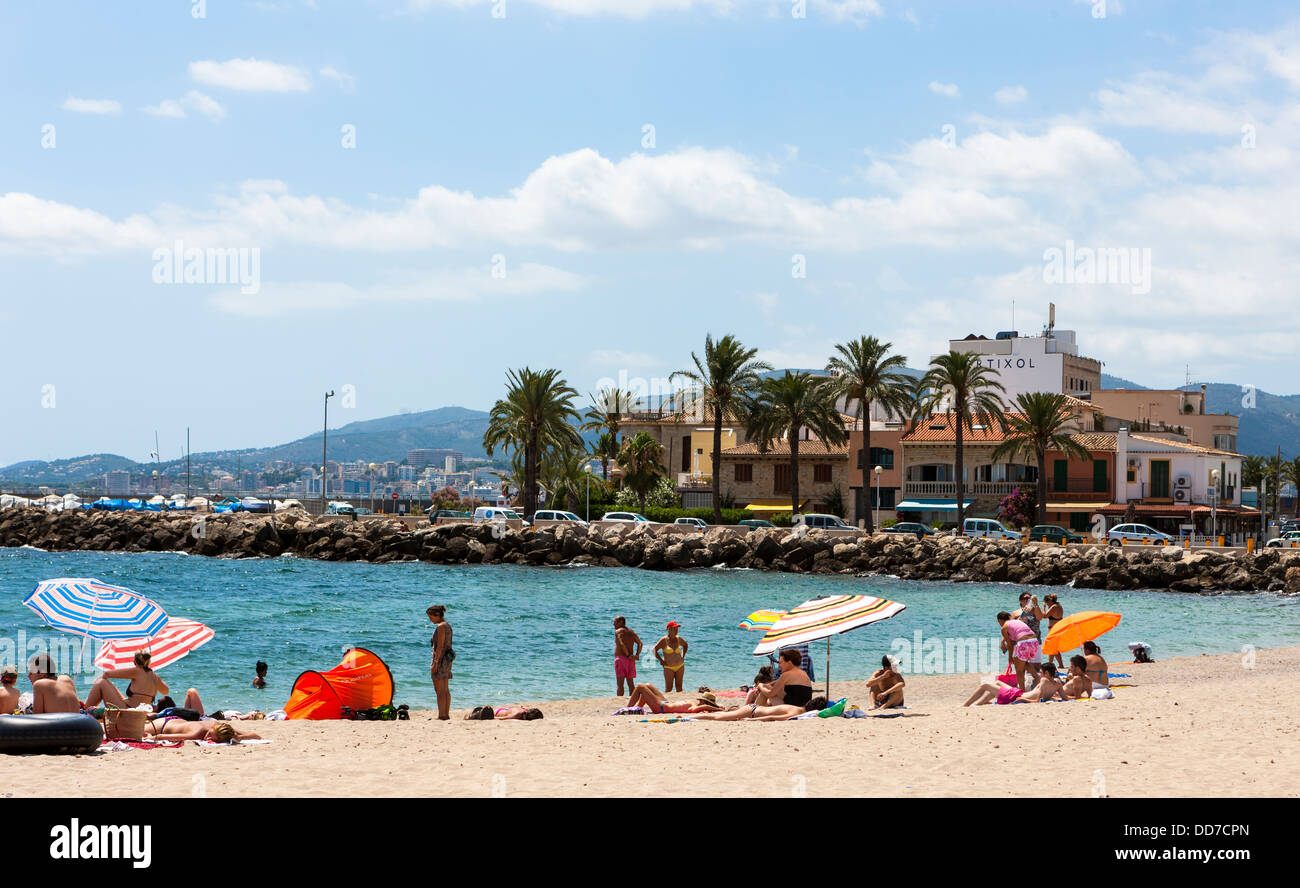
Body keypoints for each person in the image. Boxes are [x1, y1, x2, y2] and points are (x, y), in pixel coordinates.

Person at [84, 651, 169, 710]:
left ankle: (85, 710)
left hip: (128, 710)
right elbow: (166, 691)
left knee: (101, 682)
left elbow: (107, 674)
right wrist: (156, 680)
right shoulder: (154, 676)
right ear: (148, 662)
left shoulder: (136, 671)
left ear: (135, 662)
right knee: (108, 685)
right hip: (141, 712)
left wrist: (97, 680)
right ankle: (87, 709)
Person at [963, 663, 1068, 706]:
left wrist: (1022, 700)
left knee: (984, 685)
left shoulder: (1044, 681)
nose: (1039, 674)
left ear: (1046, 673)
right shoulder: (1058, 683)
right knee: (997, 683)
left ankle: (965, 705)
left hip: (1016, 696)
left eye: (1041, 672)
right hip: (1020, 692)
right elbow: (1065, 698)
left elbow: (1037, 700)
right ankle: (979, 704)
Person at [689, 696, 828, 722]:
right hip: (752, 711)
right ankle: (688, 718)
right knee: (716, 717)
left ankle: (695, 716)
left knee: (722, 716)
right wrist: (751, 721)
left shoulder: (798, 708)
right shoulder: (796, 712)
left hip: (754, 709)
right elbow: (772, 717)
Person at [998, 611, 1041, 690]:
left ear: (1000, 620)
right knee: (1023, 663)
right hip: (1034, 641)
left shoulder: (1004, 627)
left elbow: (1010, 645)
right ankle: (1036, 677)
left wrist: (1010, 658)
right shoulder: (1017, 621)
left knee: (1019, 670)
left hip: (1024, 643)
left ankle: (1021, 691)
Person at [428, 604, 455, 721]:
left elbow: (439, 647)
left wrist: (435, 662)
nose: (430, 619)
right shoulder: (448, 626)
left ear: (437, 615)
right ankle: (445, 714)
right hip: (447, 659)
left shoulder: (440, 627)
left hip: (441, 659)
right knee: (445, 689)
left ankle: (441, 715)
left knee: (439, 690)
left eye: (431, 617)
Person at [624, 683, 722, 715]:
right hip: (665, 703)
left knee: (640, 686)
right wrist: (718, 707)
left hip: (661, 708)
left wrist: (717, 709)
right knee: (648, 685)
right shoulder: (696, 705)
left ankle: (627, 710)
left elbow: (705, 707)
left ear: (704, 702)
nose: (700, 700)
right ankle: (637, 709)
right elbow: (707, 706)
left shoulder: (695, 709)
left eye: (702, 700)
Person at [144, 718, 260, 743]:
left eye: (211, 738)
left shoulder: (222, 728)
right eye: (209, 734)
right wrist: (152, 738)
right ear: (211, 728)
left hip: (179, 722)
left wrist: (239, 737)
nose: (207, 738)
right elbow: (166, 736)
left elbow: (256, 736)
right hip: (163, 725)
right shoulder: (197, 733)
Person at [1012, 592, 1045, 676]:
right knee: (1021, 666)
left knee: (1037, 666)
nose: (1027, 600)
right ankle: (1024, 683)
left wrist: (1036, 604)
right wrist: (1004, 641)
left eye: (1029, 598)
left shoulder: (1035, 610)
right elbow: (1010, 627)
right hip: (1021, 642)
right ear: (1020, 601)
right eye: (1025, 598)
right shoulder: (1016, 613)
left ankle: (1034, 682)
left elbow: (1040, 617)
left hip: (1035, 640)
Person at [653, 621, 688, 693]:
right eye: (674, 628)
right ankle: (666, 703)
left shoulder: (678, 638)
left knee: (679, 688)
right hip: (668, 667)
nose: (676, 630)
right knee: (669, 688)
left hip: (680, 666)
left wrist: (682, 656)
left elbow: (685, 645)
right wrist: (661, 661)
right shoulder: (664, 640)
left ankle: (679, 703)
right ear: (668, 629)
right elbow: (654, 650)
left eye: (677, 629)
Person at [613, 615, 643, 696]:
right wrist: (636, 655)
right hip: (631, 660)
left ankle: (619, 701)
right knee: (631, 684)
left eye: (615, 622)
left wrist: (628, 654)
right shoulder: (631, 631)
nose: (613, 624)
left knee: (620, 685)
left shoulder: (618, 631)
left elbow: (621, 643)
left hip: (621, 659)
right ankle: (632, 702)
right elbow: (640, 643)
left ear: (621, 622)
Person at [1042, 594, 1065, 668]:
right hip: (1056, 628)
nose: (1047, 604)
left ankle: (1061, 665)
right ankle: (1050, 664)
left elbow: (1044, 616)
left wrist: (1044, 607)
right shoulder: (1058, 605)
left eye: (1047, 602)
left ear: (1050, 601)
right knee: (1052, 647)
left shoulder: (1054, 607)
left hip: (1054, 629)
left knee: (1053, 647)